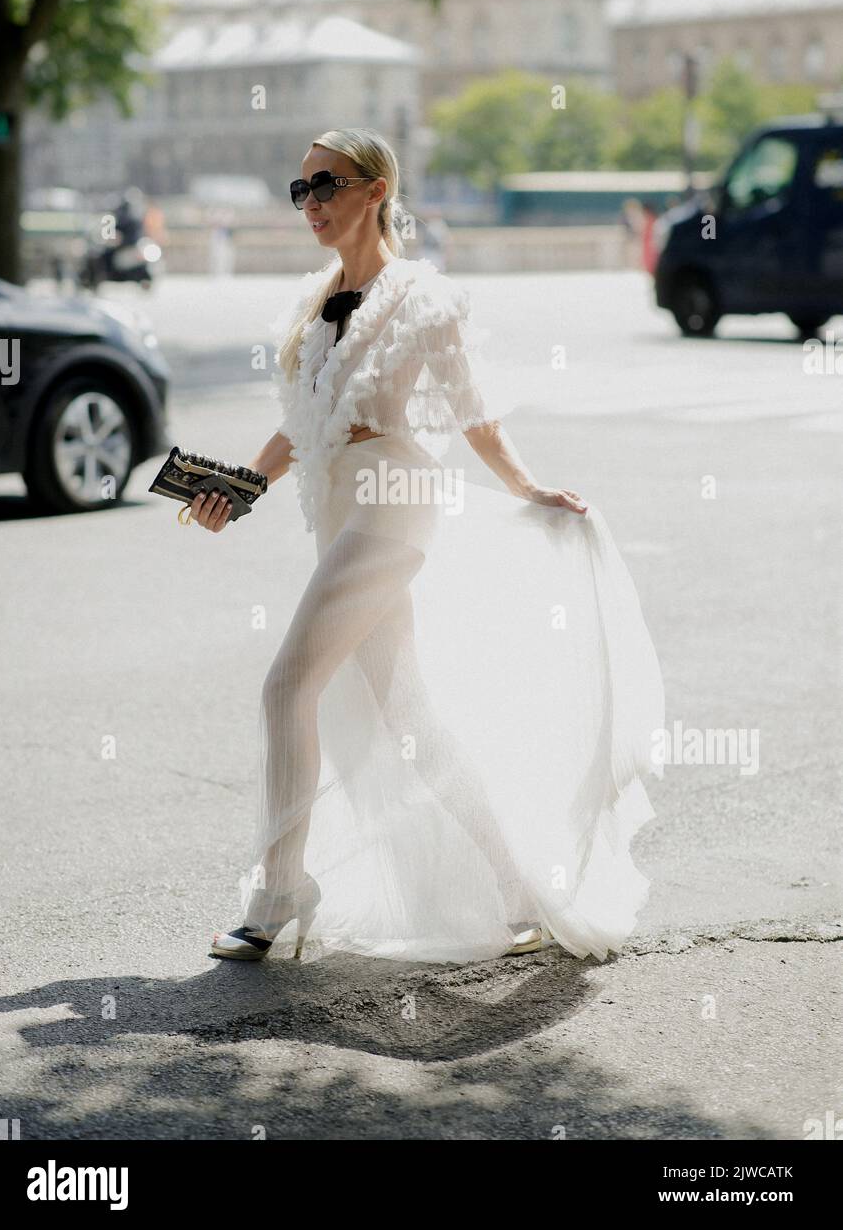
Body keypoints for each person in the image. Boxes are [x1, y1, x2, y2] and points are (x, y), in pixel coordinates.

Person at [194, 128, 664, 965]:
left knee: (285, 686)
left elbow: (474, 412)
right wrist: (237, 490)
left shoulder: (426, 299)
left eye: (328, 185)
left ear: (376, 191)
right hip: (336, 516)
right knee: (415, 722)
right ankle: (521, 888)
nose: (313, 204)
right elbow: (299, 427)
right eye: (300, 191)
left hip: (394, 510)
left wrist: (528, 488)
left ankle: (277, 890)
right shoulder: (313, 306)